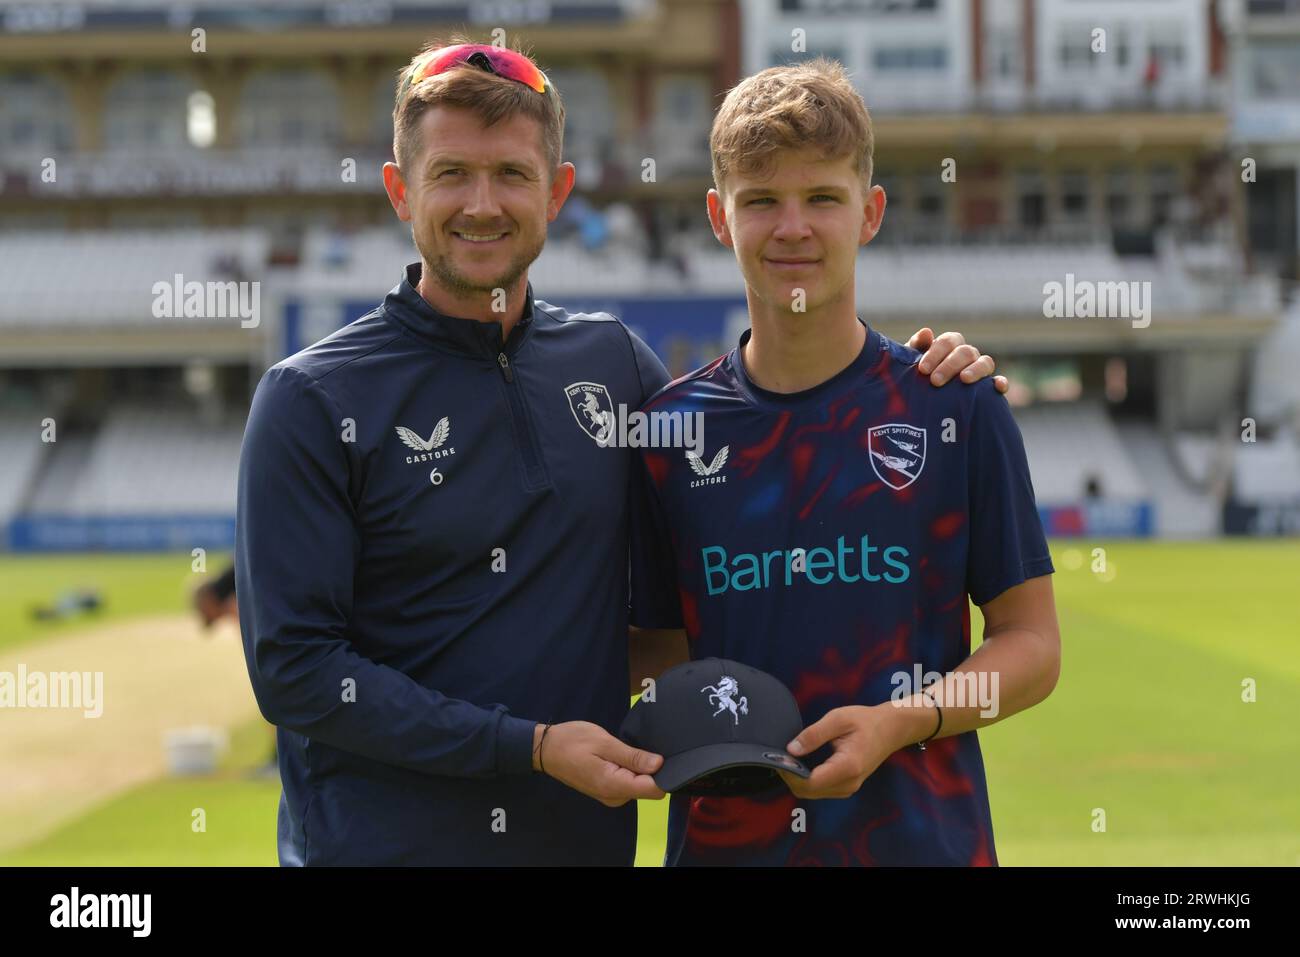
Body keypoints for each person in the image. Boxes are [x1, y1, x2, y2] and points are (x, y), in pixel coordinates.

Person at [236, 40, 1007, 866]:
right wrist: (527, 745)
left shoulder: (615, 367)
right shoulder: (312, 398)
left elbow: (737, 511)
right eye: (451, 174)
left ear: (558, 192)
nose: (482, 204)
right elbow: (297, 671)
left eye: (513, 175)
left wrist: (928, 376)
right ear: (400, 191)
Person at [629, 58, 1061, 866]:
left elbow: (1031, 646)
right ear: (721, 218)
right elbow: (650, 657)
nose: (793, 227)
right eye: (762, 201)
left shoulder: (955, 406)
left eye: (823, 197)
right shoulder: (665, 435)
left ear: (871, 212)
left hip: (924, 845)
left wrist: (904, 718)